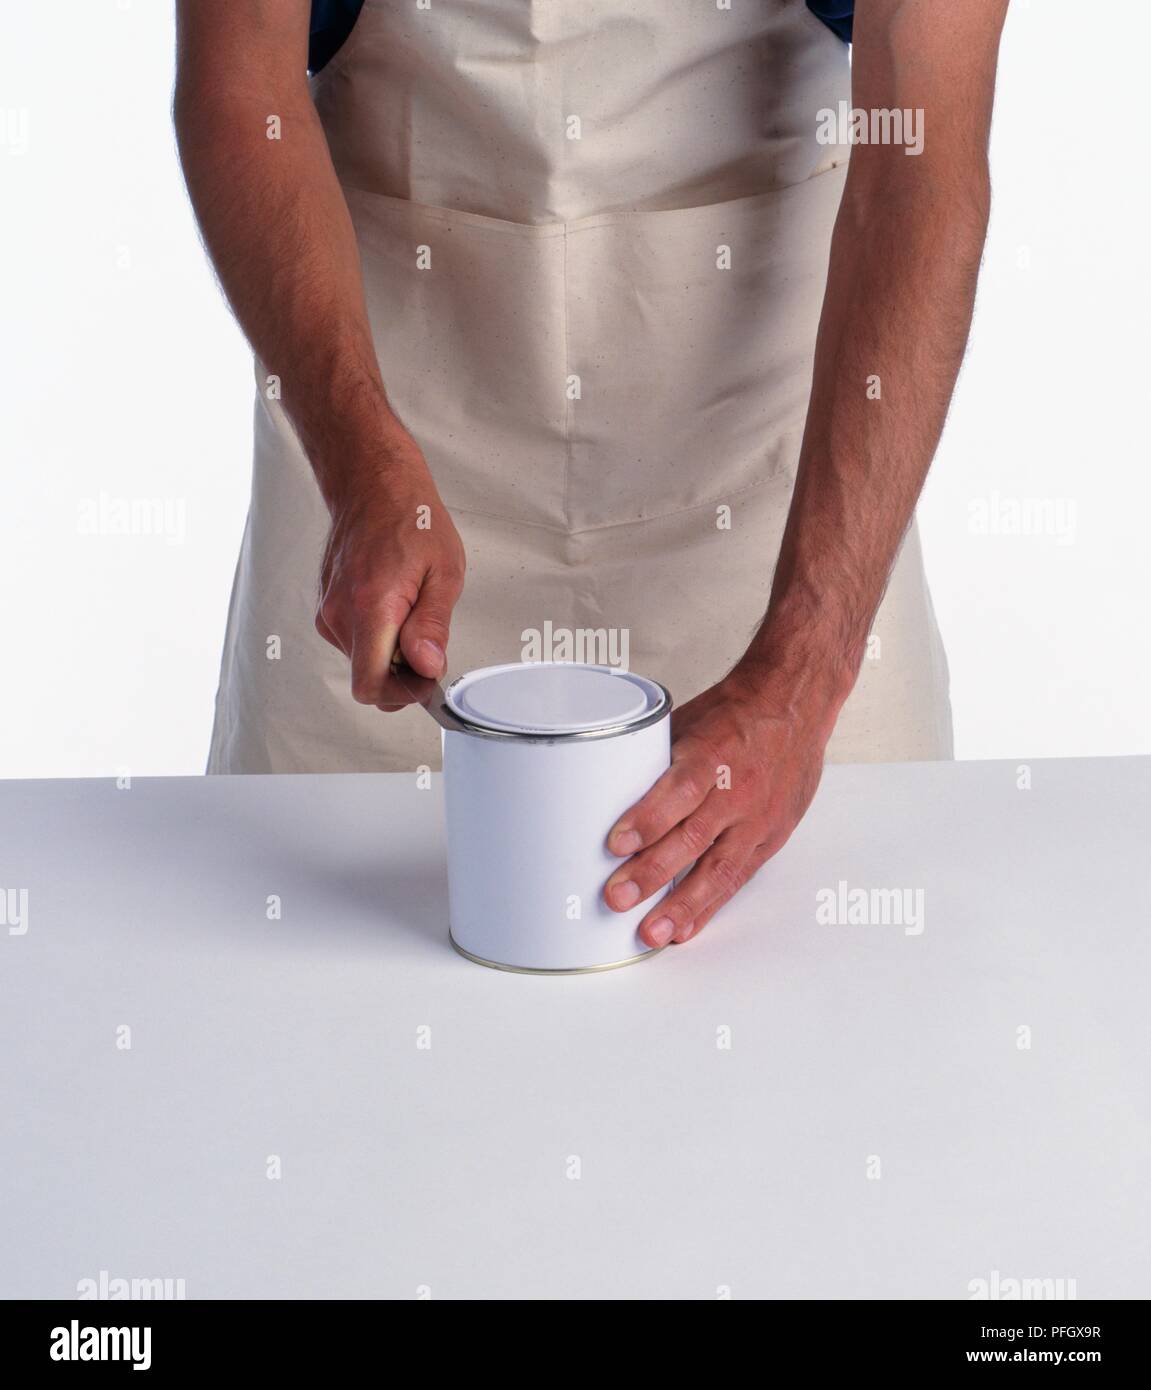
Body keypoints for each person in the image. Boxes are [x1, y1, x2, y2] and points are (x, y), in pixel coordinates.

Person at [175, 0, 1009, 949]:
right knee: (314, 995)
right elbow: (241, 91)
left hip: (780, 484)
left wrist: (803, 673)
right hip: (375, 449)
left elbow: (922, 161)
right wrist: (358, 458)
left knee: (822, 997)